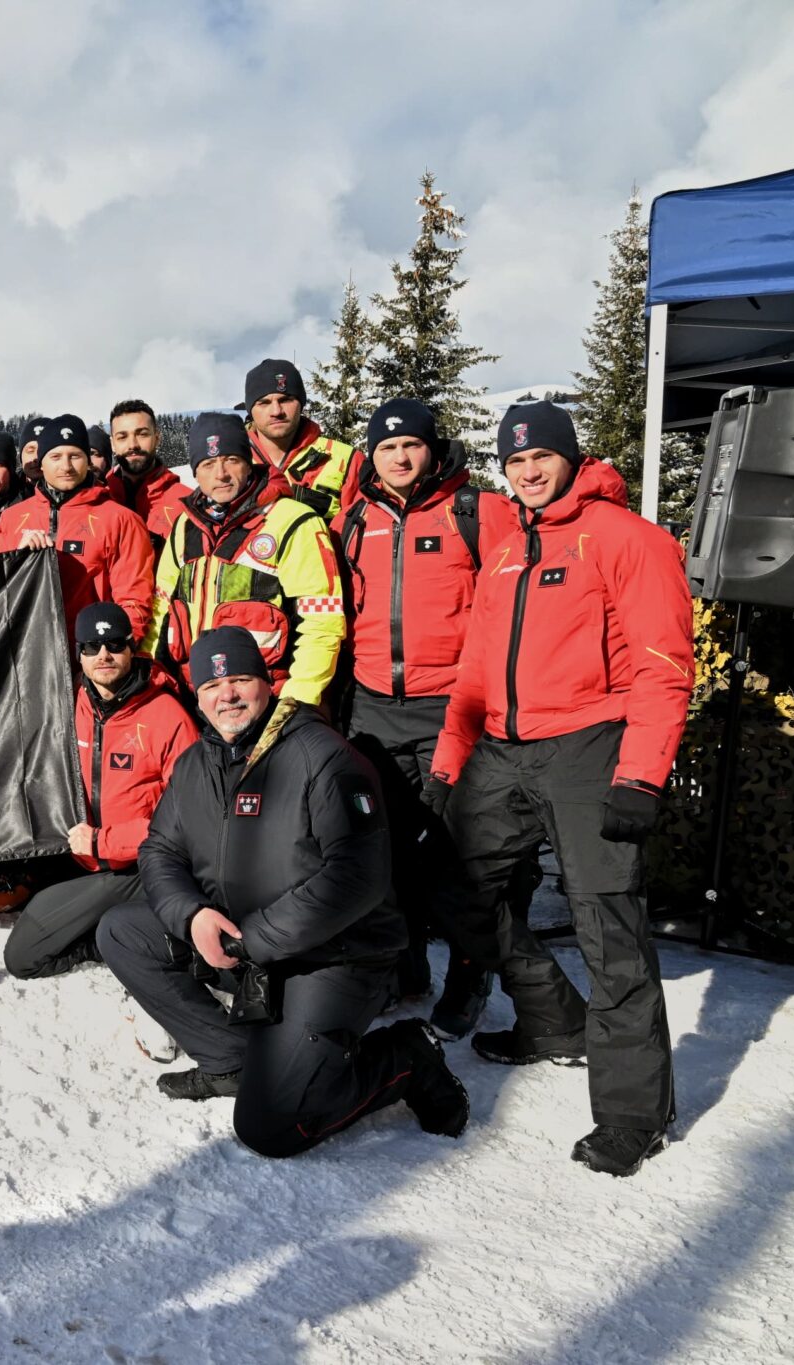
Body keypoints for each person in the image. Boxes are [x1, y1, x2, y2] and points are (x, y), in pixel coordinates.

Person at [425, 401, 693, 1177]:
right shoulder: (508, 549)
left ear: (571, 457)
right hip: (503, 750)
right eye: (514, 462)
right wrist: (449, 765)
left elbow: (664, 664)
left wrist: (640, 772)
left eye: (541, 456)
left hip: (589, 744)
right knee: (458, 888)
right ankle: (551, 1017)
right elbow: (475, 672)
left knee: (608, 926)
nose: (528, 471)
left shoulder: (626, 539)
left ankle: (635, 1114)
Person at [95, 628, 469, 1156]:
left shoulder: (322, 756)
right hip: (242, 940)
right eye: (211, 685)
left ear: (269, 683)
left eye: (240, 679)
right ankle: (232, 1061)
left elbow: (357, 877)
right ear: (197, 695)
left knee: (272, 1128)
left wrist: (253, 941)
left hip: (334, 953)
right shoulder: (197, 762)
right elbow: (160, 851)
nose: (226, 695)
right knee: (122, 930)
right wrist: (192, 915)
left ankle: (405, 1058)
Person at [337, 398, 518, 1024]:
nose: (400, 457)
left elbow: (514, 604)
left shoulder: (477, 511)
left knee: (458, 854)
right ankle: (402, 964)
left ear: (432, 449)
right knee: (382, 850)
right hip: (372, 704)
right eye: (387, 448)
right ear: (372, 455)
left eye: (411, 444)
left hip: (452, 705)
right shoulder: (356, 518)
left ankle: (471, 976)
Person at [0, 603, 196, 974]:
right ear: (78, 654)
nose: (103, 655)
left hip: (137, 866)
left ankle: (107, 938)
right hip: (77, 859)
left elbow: (188, 822)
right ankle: (110, 922)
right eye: (91, 646)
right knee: (26, 942)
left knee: (23, 958)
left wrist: (104, 842)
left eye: (114, 644)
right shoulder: (69, 703)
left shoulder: (168, 716)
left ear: (132, 648)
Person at [143, 413, 346, 708]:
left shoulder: (292, 520)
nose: (221, 473)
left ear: (248, 461)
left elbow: (322, 620)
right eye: (208, 464)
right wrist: (152, 676)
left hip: (266, 698)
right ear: (195, 473)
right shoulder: (185, 526)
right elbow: (161, 610)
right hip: (196, 695)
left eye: (231, 460)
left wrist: (299, 699)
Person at [0, 413, 155, 631]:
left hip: (91, 654)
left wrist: (109, 652)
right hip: (29, 653)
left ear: (88, 460)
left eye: (75, 456)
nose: (66, 466)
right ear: (41, 463)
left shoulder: (121, 520)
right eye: (56, 457)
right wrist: (17, 559)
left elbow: (135, 601)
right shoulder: (12, 519)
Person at [242, 359, 358, 524]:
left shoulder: (346, 460)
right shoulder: (229, 462)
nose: (276, 411)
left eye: (286, 400)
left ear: (301, 403)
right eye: (264, 403)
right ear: (250, 410)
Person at [104, 398, 183, 548]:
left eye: (142, 434)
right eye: (122, 437)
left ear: (157, 438)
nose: (133, 444)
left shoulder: (185, 503)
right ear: (113, 444)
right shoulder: (101, 500)